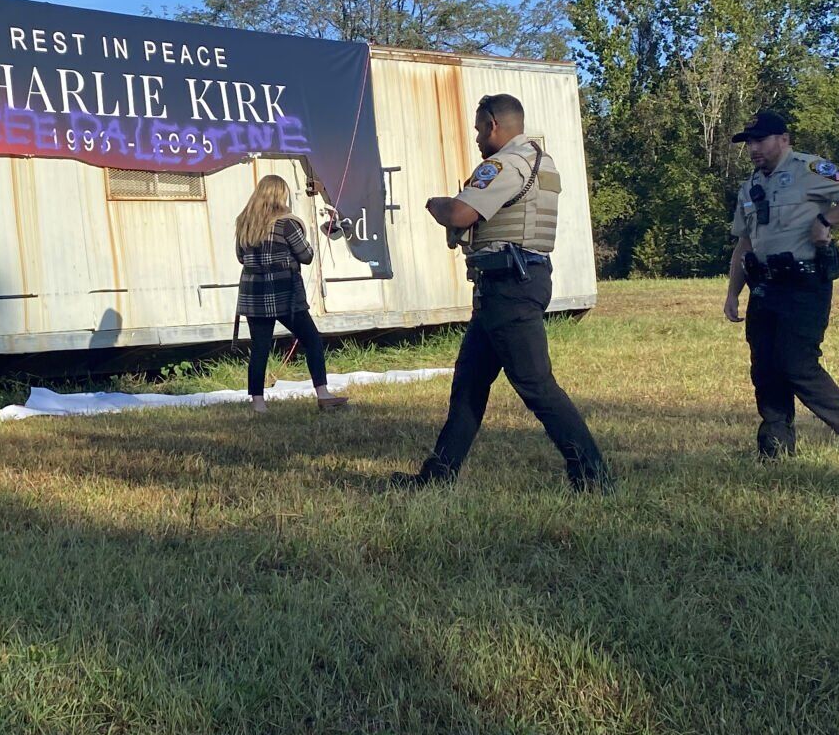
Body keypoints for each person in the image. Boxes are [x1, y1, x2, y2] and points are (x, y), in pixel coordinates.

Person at [391, 93, 611, 492]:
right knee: (469, 384)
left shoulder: (504, 164)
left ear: (494, 124)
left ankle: (593, 475)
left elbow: (461, 214)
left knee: (536, 385)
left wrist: (437, 203)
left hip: (508, 287)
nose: (476, 137)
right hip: (513, 284)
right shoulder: (541, 161)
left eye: (478, 128)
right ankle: (438, 475)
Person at [723, 109, 839, 459]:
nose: (753, 149)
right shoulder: (750, 187)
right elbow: (744, 243)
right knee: (765, 365)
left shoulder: (810, 171)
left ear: (783, 139)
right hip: (763, 286)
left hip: (804, 282)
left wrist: (827, 218)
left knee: (796, 362)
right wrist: (733, 292)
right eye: (749, 142)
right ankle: (775, 446)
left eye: (760, 140)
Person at [234, 174, 348, 413]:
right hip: (285, 295)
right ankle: (323, 394)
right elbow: (306, 256)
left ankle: (258, 403)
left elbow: (241, 257)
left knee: (260, 349)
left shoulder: (244, 221)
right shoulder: (286, 224)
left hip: (254, 296)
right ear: (280, 195)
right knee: (312, 340)